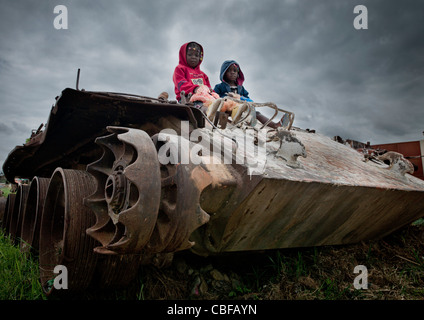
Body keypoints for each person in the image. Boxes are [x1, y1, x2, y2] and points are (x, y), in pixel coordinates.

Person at [214, 60, 285, 129]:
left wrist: (240, 98)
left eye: (235, 71)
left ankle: (275, 125)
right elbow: (214, 97)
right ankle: (227, 125)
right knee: (220, 113)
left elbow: (248, 98)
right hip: (225, 109)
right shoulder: (219, 86)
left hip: (238, 109)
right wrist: (226, 98)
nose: (232, 73)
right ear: (224, 73)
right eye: (229, 71)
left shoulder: (241, 88)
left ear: (238, 73)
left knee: (257, 113)